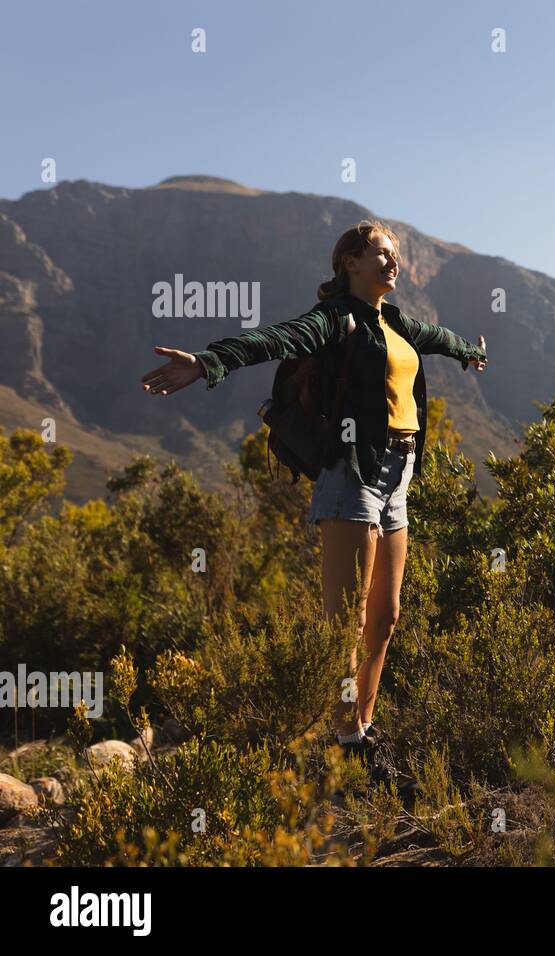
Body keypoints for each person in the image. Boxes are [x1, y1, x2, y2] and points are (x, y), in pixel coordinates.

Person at [140, 220, 487, 778]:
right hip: (352, 473)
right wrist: (209, 362)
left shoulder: (397, 322)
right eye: (380, 253)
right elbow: (272, 339)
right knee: (346, 619)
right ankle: (347, 741)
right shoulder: (334, 319)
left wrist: (469, 353)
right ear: (349, 262)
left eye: (395, 254)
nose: (392, 262)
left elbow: (438, 340)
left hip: (398, 472)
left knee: (386, 617)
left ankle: (362, 729)